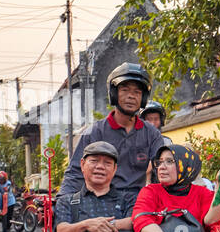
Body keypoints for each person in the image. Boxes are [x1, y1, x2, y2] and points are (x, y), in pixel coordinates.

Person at [58, 63, 165, 197]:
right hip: (100, 202)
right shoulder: (95, 132)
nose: (131, 96)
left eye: (137, 92)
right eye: (125, 90)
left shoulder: (152, 134)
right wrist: (62, 201)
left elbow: (163, 168)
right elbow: (75, 173)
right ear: (114, 94)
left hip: (137, 204)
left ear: (143, 98)